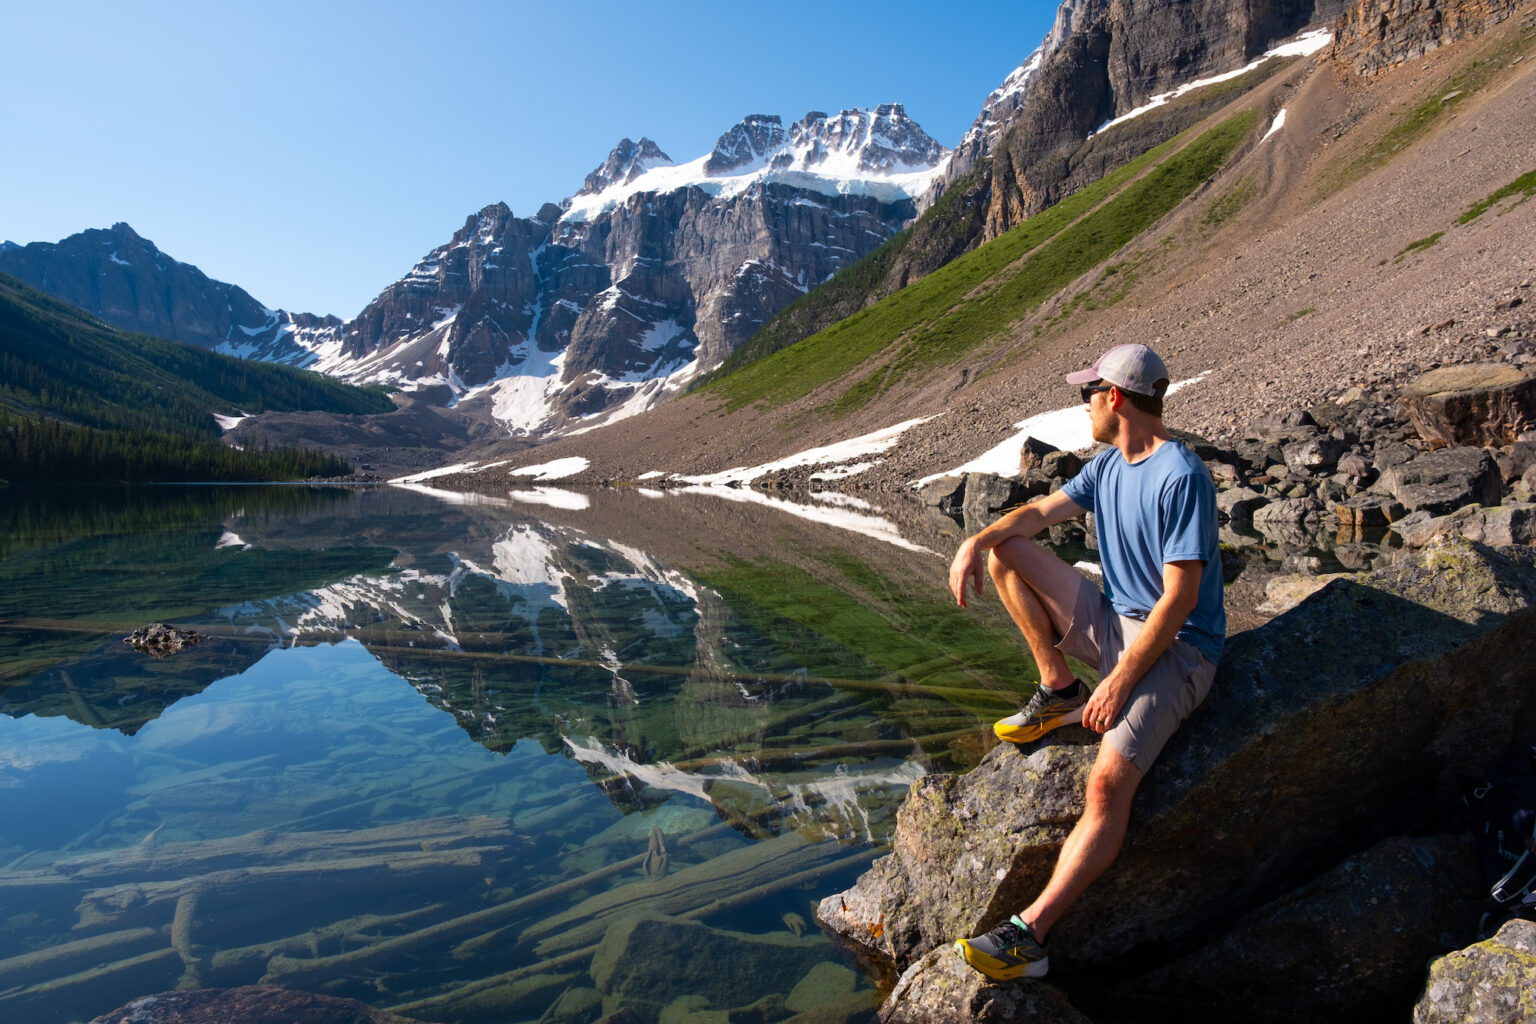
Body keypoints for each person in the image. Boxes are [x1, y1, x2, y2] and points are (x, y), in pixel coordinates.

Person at [949, 342, 1225, 981]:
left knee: (1106, 783)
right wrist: (975, 540)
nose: (1084, 404)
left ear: (1117, 398)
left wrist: (1122, 682)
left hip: (1179, 650)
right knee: (1007, 552)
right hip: (1118, 627)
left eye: (1088, 393)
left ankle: (1031, 936)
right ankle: (1061, 689)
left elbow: (1180, 599)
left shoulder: (1179, 475)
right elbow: (1039, 513)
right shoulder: (1107, 467)